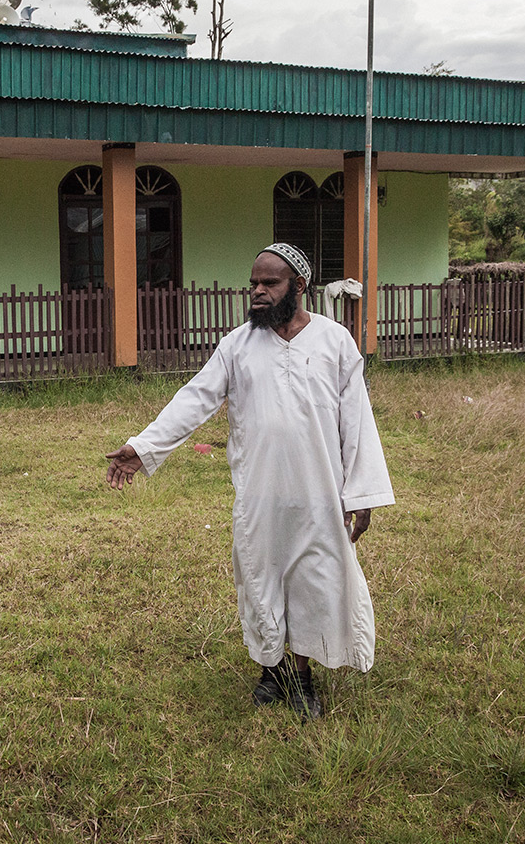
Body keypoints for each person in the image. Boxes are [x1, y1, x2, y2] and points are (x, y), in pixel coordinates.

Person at [105, 243, 394, 720]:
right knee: (261, 579)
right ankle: (271, 668)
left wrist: (360, 495)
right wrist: (144, 446)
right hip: (259, 492)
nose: (258, 292)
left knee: (312, 583)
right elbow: (194, 399)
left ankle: (302, 678)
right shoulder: (237, 344)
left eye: (269, 283)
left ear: (298, 287)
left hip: (319, 492)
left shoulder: (335, 341)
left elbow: (356, 421)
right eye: (254, 283)